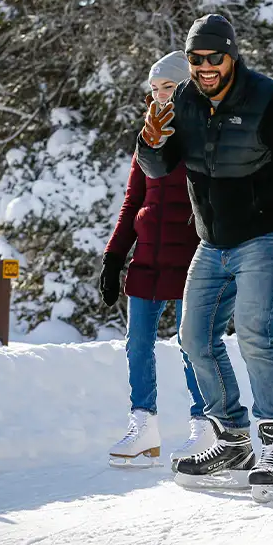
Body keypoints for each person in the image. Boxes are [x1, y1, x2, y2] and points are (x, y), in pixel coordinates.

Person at [134, 14, 273, 503]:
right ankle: (234, 438)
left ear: (232, 56)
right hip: (213, 241)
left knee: (255, 334)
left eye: (214, 58)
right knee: (194, 337)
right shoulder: (184, 104)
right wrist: (150, 142)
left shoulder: (269, 101)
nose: (205, 67)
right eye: (196, 60)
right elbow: (160, 167)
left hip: (268, 236)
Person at [102, 51, 214, 468]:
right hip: (147, 255)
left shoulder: (202, 134)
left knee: (193, 344)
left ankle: (204, 426)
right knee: (137, 343)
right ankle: (143, 426)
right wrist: (114, 257)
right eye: (154, 89)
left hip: (191, 255)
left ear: (186, 86)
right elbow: (134, 199)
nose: (160, 95)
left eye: (168, 87)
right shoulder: (148, 137)